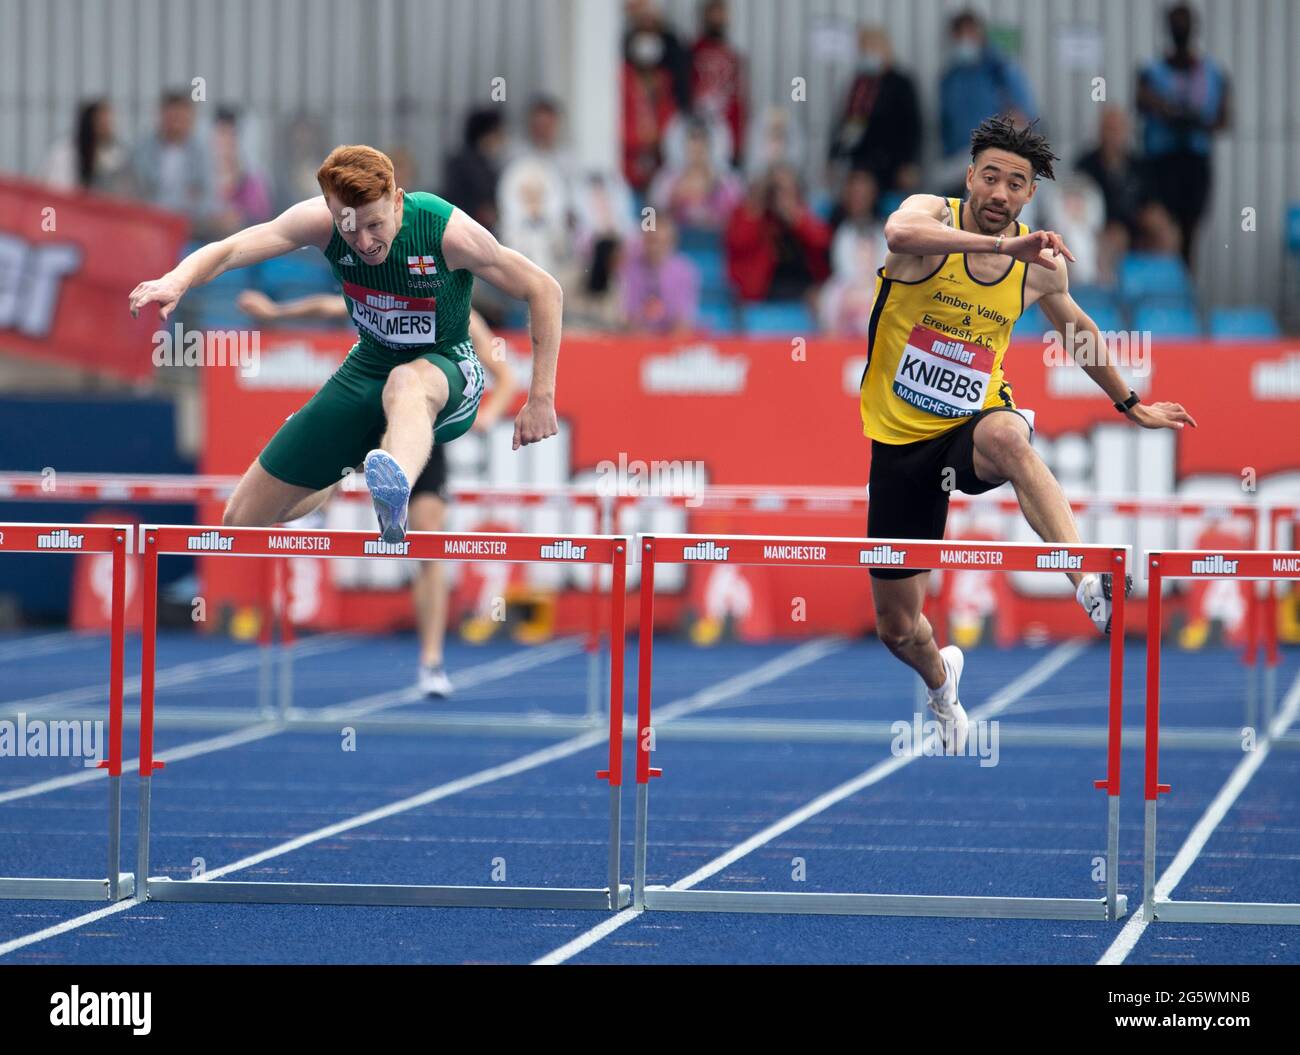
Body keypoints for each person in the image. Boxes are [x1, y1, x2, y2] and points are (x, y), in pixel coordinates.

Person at [861, 116, 1197, 751]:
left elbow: (1077, 329)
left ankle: (1086, 582)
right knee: (898, 629)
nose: (1000, 194)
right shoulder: (931, 221)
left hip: (972, 426)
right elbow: (895, 229)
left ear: (1028, 197)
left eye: (1016, 184)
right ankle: (941, 681)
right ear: (969, 179)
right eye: (990, 177)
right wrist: (994, 249)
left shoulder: (1038, 262)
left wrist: (1131, 403)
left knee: (1013, 439)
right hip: (900, 445)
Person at [129, 144, 560, 548]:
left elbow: (543, 289)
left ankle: (394, 498)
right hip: (367, 366)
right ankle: (336, 476)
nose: (366, 242)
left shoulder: (447, 232)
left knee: (406, 381)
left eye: (376, 225)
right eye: (350, 228)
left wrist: (540, 396)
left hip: (448, 370)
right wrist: (177, 279)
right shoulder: (318, 221)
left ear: (397, 201)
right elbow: (231, 249)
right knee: (240, 522)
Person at [236, 290, 518, 697]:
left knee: (429, 542)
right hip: (368, 418)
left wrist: (488, 416)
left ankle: (432, 662)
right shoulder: (384, 298)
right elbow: (330, 306)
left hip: (421, 439)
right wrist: (277, 311)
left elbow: (505, 376)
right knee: (318, 479)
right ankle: (324, 487)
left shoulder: (462, 314)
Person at [1136, 2, 1230, 268]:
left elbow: (1223, 119)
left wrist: (1197, 121)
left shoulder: (1213, 73)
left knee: (1190, 232)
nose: (1180, 30)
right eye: (1176, 24)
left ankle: (1183, 289)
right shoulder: (1151, 71)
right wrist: (1167, 110)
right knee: (1159, 228)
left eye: (1184, 24)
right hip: (1160, 164)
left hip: (1195, 164)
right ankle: (1159, 287)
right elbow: (1141, 102)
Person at [937, 11, 1037, 197]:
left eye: (969, 34)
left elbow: (1024, 115)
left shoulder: (1001, 70)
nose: (965, 40)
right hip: (957, 163)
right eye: (960, 35)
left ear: (980, 34)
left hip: (994, 159)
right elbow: (945, 124)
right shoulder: (950, 77)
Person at [827, 27, 921, 207]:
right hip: (859, 164)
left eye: (873, 47)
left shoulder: (900, 83)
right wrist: (833, 156)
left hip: (891, 166)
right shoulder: (859, 84)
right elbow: (846, 125)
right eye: (864, 48)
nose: (868, 53)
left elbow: (912, 127)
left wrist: (909, 163)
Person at [129, 90, 216, 230]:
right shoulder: (142, 151)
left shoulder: (201, 152)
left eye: (182, 117)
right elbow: (136, 191)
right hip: (150, 222)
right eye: (173, 117)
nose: (177, 123)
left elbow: (207, 194)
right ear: (162, 116)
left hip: (191, 223)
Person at [620, 216, 699, 334]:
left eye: (662, 242)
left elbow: (683, 321)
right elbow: (627, 318)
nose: (656, 248)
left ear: (671, 242)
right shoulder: (629, 268)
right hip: (637, 340)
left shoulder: (684, 271)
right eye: (652, 241)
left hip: (669, 342)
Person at [42, 98, 128, 193]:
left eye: (109, 122)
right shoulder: (65, 153)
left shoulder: (114, 154)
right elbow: (57, 188)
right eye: (102, 122)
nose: (108, 127)